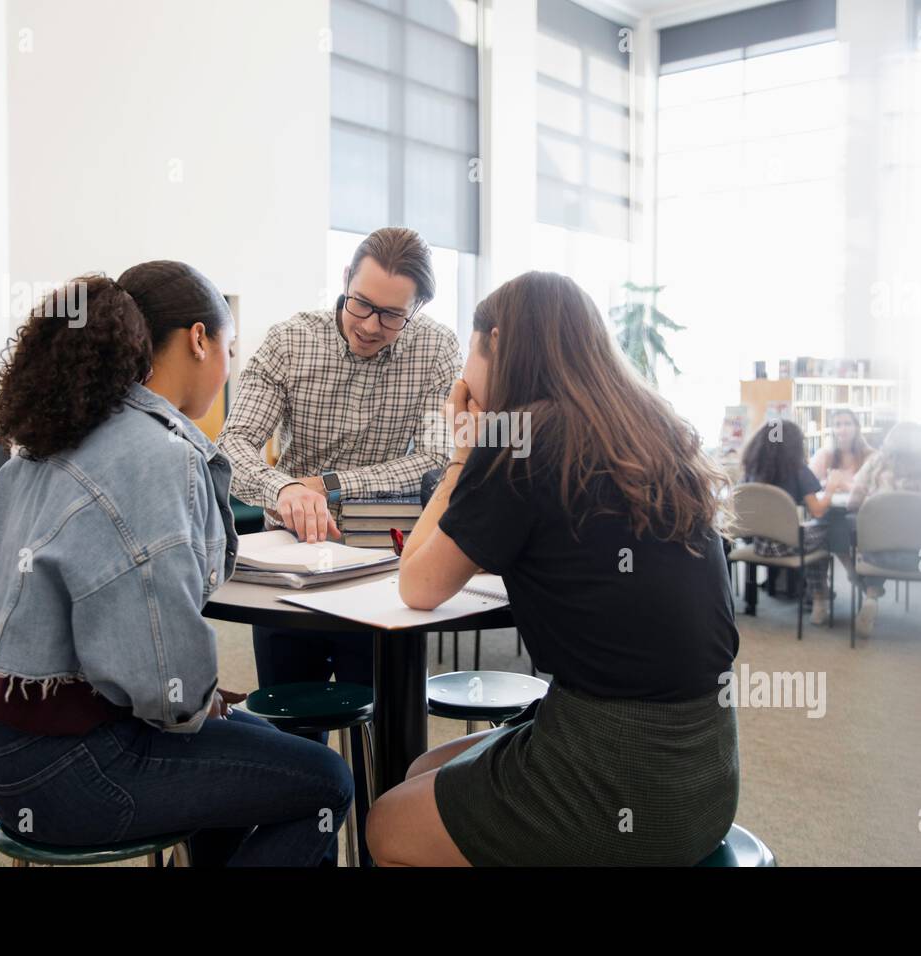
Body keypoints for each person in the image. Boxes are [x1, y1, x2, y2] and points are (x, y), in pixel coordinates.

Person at [0, 262, 352, 866]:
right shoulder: (158, 453)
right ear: (199, 340)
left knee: (254, 748)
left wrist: (205, 705)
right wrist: (198, 700)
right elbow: (164, 687)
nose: (228, 364)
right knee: (325, 780)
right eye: (230, 347)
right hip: (71, 770)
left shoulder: (57, 433)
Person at [363, 271, 740, 866]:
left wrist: (463, 452)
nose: (464, 371)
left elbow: (418, 585)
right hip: (708, 773)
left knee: (386, 825)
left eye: (471, 349)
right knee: (425, 767)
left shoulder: (520, 437)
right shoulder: (654, 431)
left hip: (613, 773)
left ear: (497, 342)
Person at [217, 227, 462, 862]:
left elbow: (437, 454)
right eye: (360, 303)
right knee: (295, 740)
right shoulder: (291, 338)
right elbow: (235, 445)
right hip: (292, 556)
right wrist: (283, 489)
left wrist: (327, 483)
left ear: (418, 310)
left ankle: (389, 852)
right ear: (345, 283)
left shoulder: (435, 350)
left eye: (392, 314)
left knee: (387, 732)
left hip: (385, 562)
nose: (371, 324)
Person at [848, 422, 921, 638]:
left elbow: (852, 504)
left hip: (876, 558)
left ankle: (872, 597)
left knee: (877, 539)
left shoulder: (875, 463)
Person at [740, 418, 843, 623]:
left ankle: (810, 595)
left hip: (759, 544)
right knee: (826, 533)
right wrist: (831, 489)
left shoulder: (752, 471)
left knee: (808, 534)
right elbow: (818, 511)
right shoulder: (799, 471)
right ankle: (818, 598)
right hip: (787, 546)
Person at [809, 406, 872, 493]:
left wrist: (842, 485)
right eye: (837, 425)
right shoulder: (823, 454)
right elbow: (809, 484)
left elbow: (871, 490)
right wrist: (825, 484)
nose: (843, 429)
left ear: (856, 427)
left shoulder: (870, 455)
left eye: (848, 424)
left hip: (860, 505)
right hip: (829, 505)